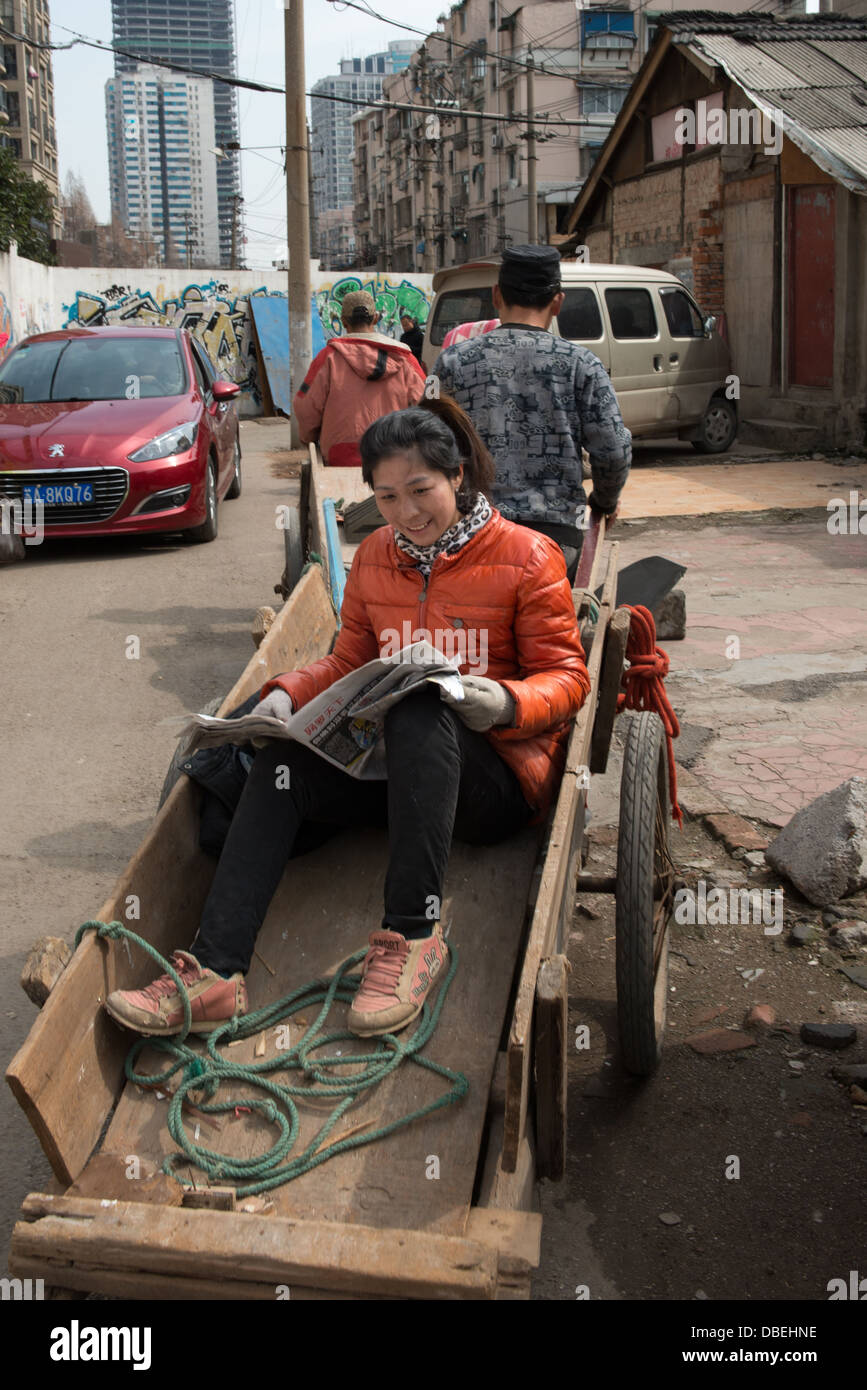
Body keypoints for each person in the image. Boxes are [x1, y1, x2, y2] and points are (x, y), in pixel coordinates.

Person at [104, 396, 590, 1042]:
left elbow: (568, 677)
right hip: (395, 777)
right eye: (386, 497)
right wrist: (285, 695)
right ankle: (217, 971)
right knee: (280, 764)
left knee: (422, 703)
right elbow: (348, 662)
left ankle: (413, 937)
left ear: (457, 477)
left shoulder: (527, 557)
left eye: (420, 490)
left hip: (491, 782)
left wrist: (501, 702)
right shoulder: (372, 559)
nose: (406, 512)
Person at [431, 244, 632, 582]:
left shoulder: (452, 362)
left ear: (496, 295)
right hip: (555, 543)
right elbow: (612, 451)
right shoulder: (582, 365)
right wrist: (604, 501)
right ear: (558, 302)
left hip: (473, 535)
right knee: (547, 629)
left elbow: (427, 443)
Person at [294, 291, 425, 465]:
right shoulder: (405, 358)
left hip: (340, 457)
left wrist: (309, 437)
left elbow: (305, 405)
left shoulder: (328, 358)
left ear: (343, 321)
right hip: (394, 456)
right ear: (376, 318)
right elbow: (430, 400)